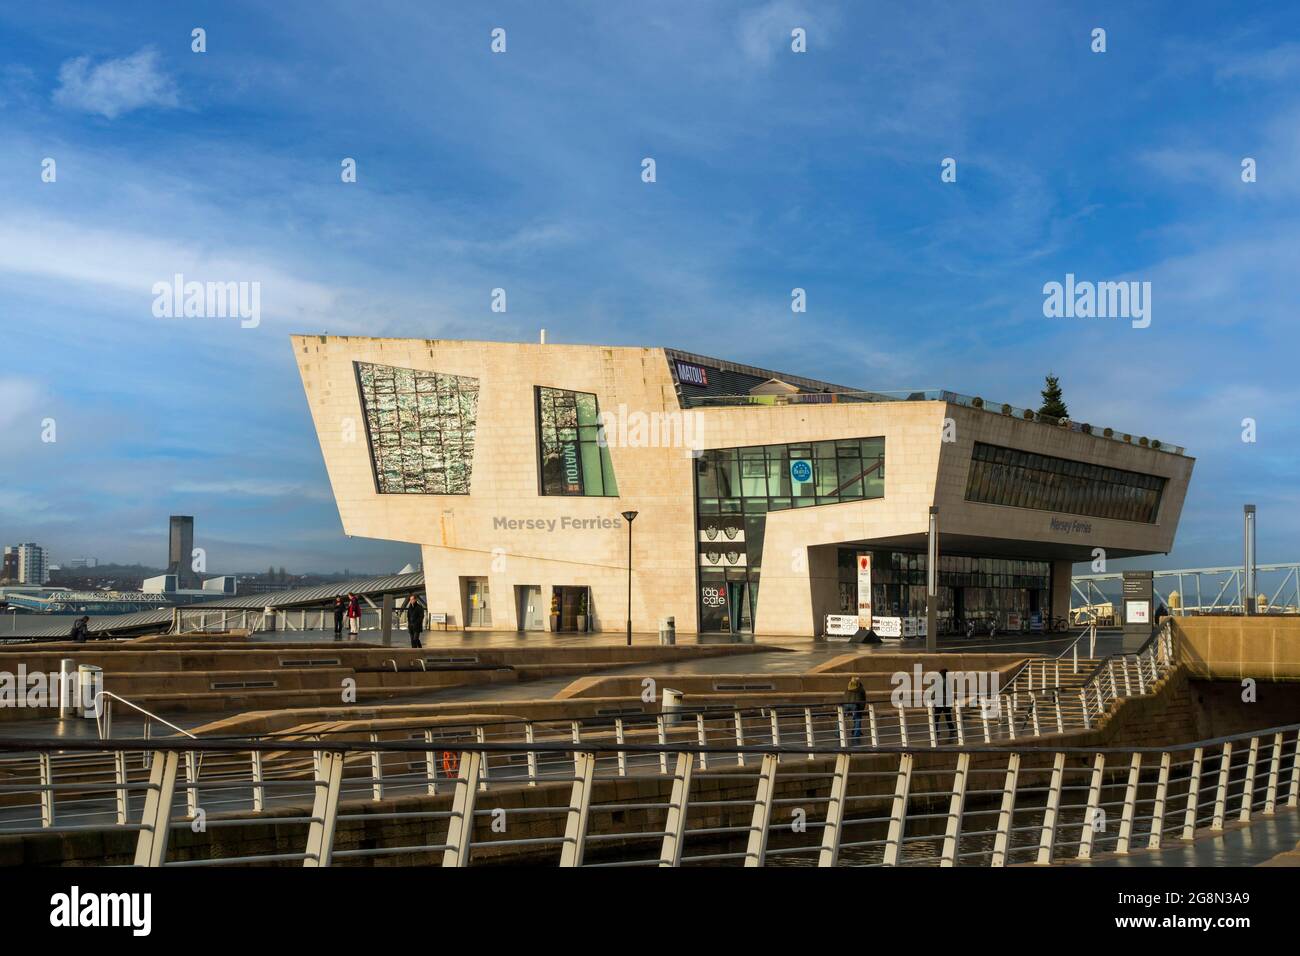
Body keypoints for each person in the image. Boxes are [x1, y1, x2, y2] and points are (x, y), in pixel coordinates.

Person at [935, 668, 957, 740]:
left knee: (936, 718)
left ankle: (936, 731)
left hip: (939, 703)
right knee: (948, 717)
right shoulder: (946, 682)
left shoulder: (939, 682)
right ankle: (952, 729)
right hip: (945, 703)